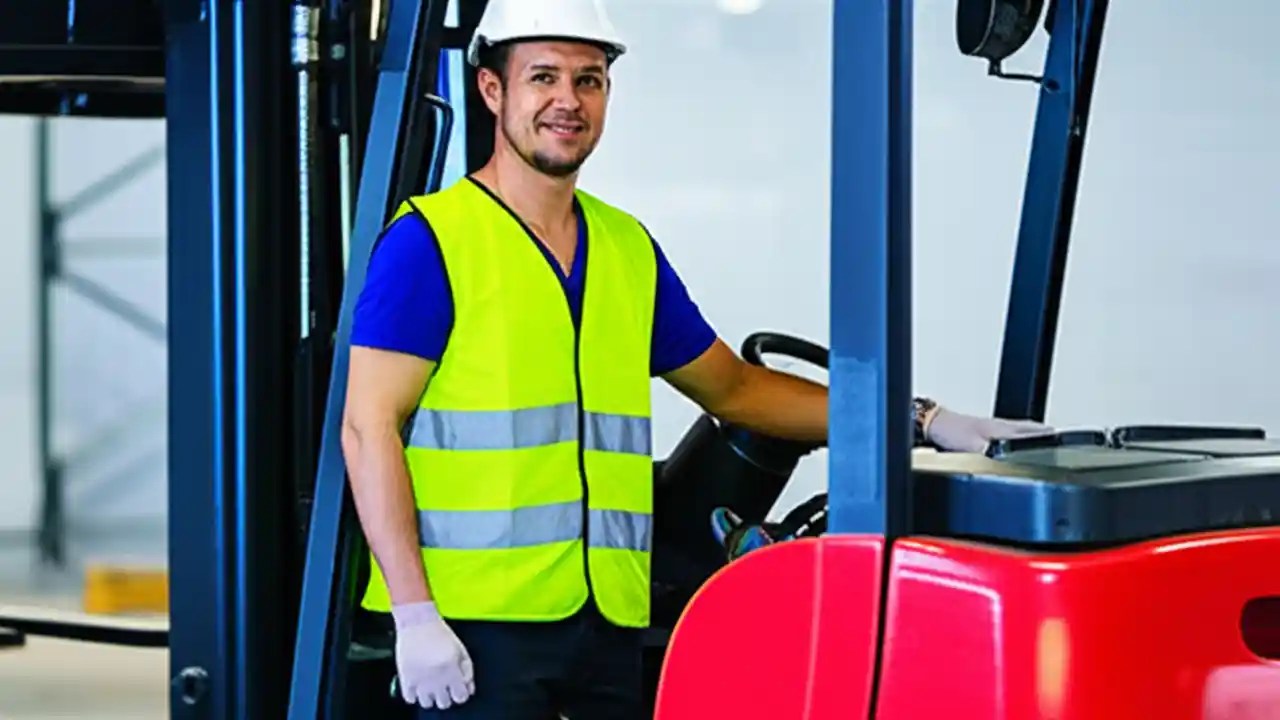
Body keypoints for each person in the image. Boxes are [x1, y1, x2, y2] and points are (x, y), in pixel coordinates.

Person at [341, 0, 1050, 716]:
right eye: (543, 78)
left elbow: (735, 390)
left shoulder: (624, 250)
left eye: (589, 81)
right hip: (472, 632)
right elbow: (369, 427)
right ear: (494, 91)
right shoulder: (431, 243)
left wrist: (922, 421)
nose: (568, 101)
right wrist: (414, 613)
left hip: (608, 623)